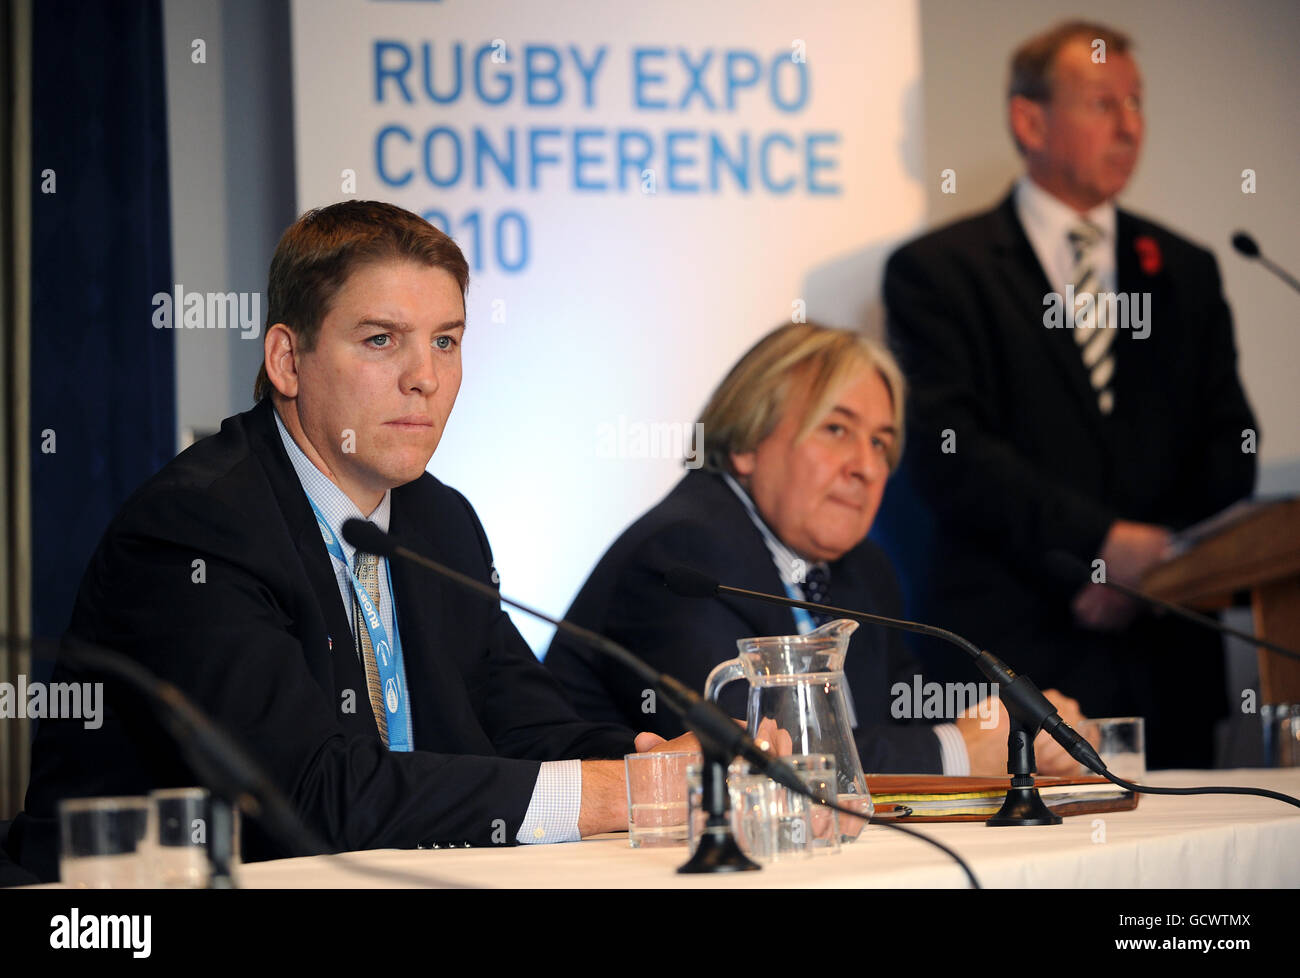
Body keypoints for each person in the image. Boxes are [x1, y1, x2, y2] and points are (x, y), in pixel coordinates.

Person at [5, 201, 678, 882]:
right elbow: (307, 797)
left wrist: (663, 765)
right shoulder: (197, 526)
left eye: (446, 340)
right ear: (287, 361)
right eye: (382, 339)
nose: (427, 376)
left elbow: (524, 726)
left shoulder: (439, 523)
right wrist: (612, 796)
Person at [880, 21, 1257, 769]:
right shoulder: (941, 270)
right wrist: (1095, 551)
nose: (1130, 126)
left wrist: (1152, 567)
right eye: (1102, 104)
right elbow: (951, 454)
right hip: (1016, 653)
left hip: (1165, 652)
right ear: (1030, 120)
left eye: (1137, 103)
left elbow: (1229, 450)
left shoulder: (1185, 269)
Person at [545, 321, 1084, 777]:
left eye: (879, 442)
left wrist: (1016, 729)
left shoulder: (862, 568)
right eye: (836, 429)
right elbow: (760, 751)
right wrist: (960, 751)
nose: (867, 467)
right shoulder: (684, 554)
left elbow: (899, 716)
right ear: (746, 444)